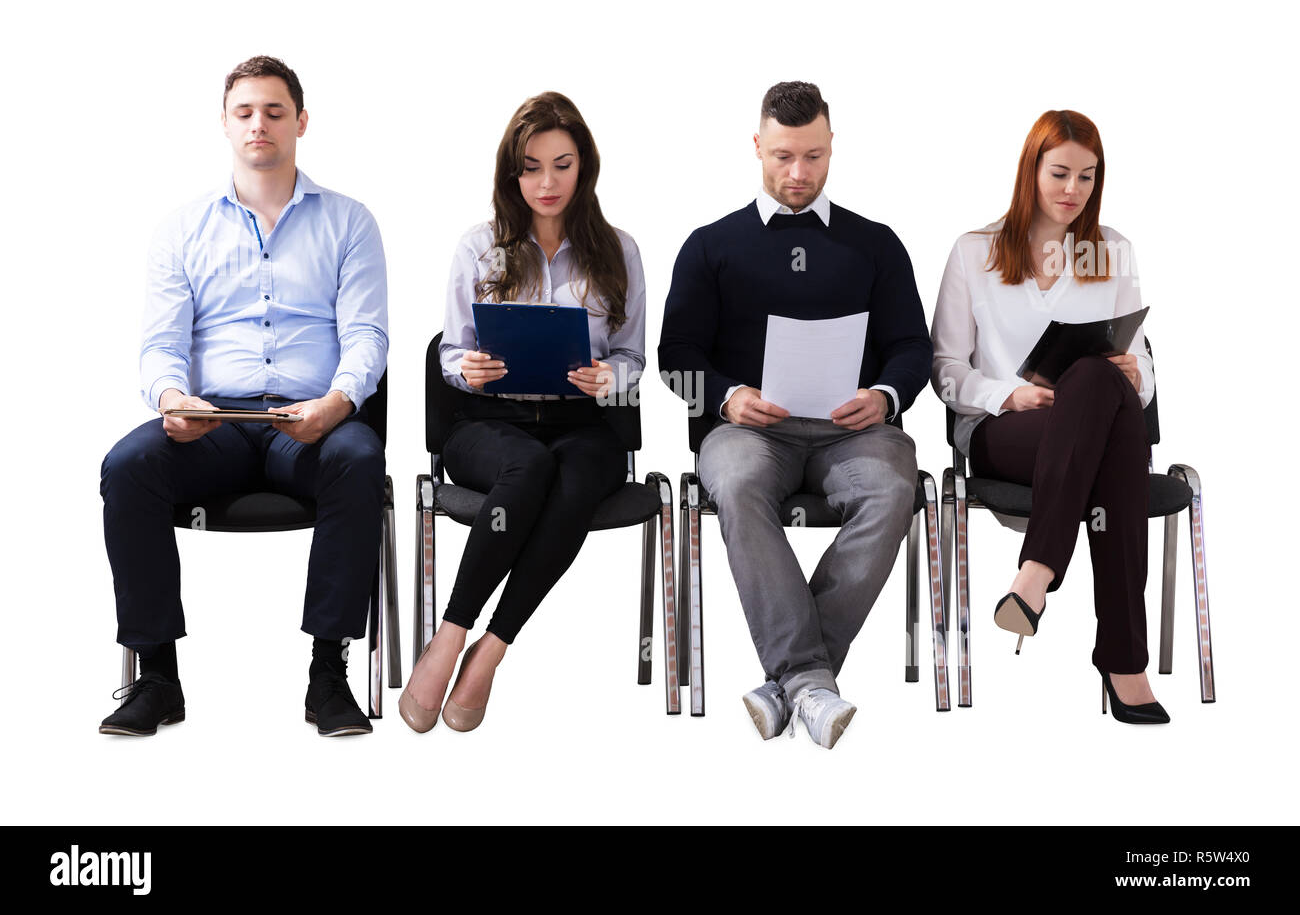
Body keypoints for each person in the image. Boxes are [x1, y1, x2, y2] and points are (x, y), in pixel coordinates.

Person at [99, 56, 389, 737]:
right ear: (226, 124)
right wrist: (174, 396)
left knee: (358, 458)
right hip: (214, 426)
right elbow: (160, 343)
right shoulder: (182, 228)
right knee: (128, 466)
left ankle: (328, 675)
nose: (259, 123)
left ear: (301, 122)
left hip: (308, 421)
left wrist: (339, 403)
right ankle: (158, 678)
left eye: (275, 111)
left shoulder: (349, 222)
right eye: (245, 111)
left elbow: (369, 334)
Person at [658, 82, 931, 749]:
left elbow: (911, 347)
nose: (799, 173)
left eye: (813, 156)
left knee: (894, 488)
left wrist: (886, 396)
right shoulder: (710, 245)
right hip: (747, 431)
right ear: (757, 147)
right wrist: (727, 395)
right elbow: (676, 353)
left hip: (855, 433)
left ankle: (796, 680)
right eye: (783, 156)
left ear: (832, 147)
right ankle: (812, 682)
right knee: (739, 484)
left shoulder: (876, 244)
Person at [398, 91, 645, 734]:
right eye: (531, 167)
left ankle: (491, 650)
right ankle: (452, 637)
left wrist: (607, 377)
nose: (547, 182)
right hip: (489, 424)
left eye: (562, 165)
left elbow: (632, 358)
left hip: (583, 424)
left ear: (583, 166)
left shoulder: (619, 250)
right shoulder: (478, 247)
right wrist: (466, 368)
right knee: (529, 468)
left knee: (569, 481)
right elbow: (452, 350)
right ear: (513, 174)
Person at [930, 109, 1169, 724]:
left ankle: (1035, 577)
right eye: (1060, 173)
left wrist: (1137, 378)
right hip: (1004, 431)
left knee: (1099, 380)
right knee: (1108, 418)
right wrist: (1009, 395)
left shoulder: (1112, 251)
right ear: (1030, 170)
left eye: (1088, 178)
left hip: (1097, 433)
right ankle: (1124, 662)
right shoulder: (974, 252)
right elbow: (946, 370)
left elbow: (1137, 368)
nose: (1073, 191)